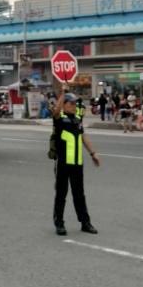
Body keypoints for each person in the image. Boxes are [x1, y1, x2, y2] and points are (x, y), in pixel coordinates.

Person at [49, 93, 100, 236]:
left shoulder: (77, 119)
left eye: (75, 103)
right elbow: (56, 111)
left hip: (77, 164)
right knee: (61, 194)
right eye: (70, 103)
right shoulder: (59, 119)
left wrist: (93, 153)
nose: (74, 106)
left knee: (79, 195)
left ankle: (85, 223)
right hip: (63, 164)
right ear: (64, 104)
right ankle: (59, 223)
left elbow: (83, 136)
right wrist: (63, 93)